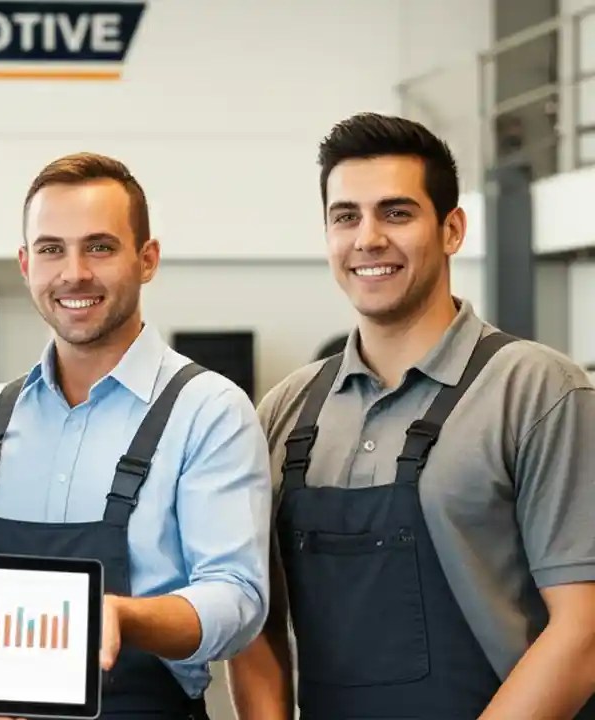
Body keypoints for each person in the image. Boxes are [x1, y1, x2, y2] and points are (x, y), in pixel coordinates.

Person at [227, 113, 595, 719]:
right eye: (346, 216)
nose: (368, 238)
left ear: (451, 228)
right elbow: (257, 621)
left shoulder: (538, 390)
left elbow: (581, 631)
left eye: (396, 213)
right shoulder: (285, 411)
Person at [0, 152, 273, 719]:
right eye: (51, 249)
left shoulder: (208, 412)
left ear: (147, 259)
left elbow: (238, 596)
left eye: (100, 247)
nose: (74, 273)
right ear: (25, 262)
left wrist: (121, 616)